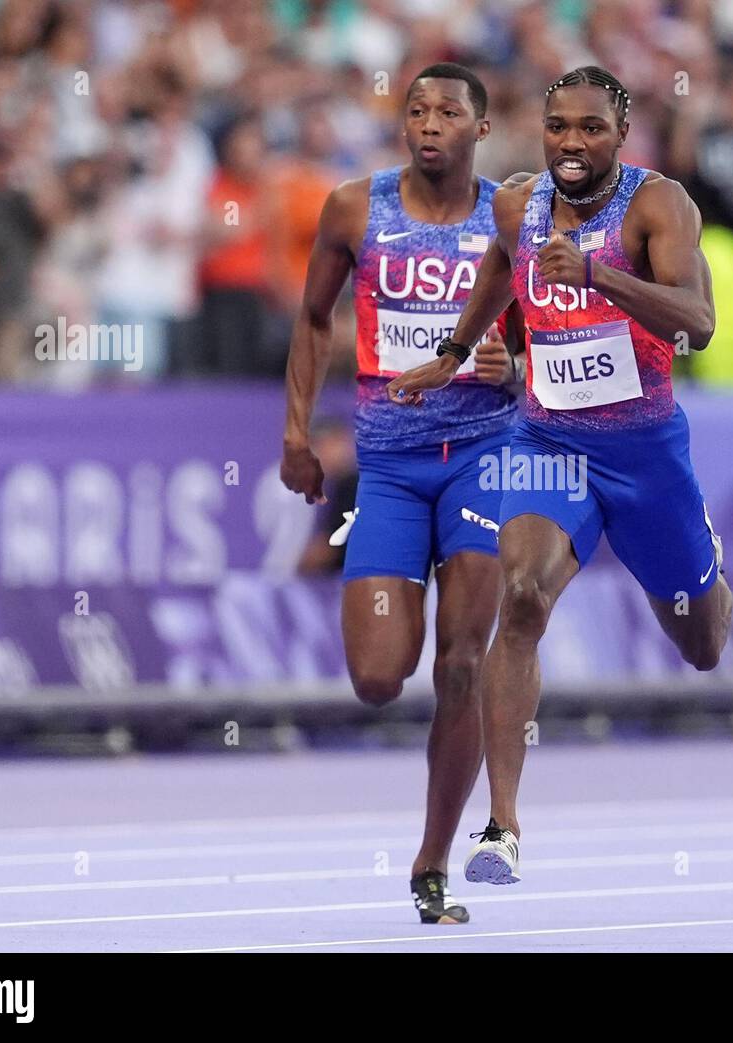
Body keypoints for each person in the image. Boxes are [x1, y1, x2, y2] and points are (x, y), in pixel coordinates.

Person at [386, 66, 733, 886]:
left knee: (704, 644)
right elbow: (502, 270)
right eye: (558, 128)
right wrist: (452, 351)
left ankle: (707, 562)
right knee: (525, 593)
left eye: (590, 129)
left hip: (646, 454)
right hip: (548, 443)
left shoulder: (660, 205)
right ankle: (502, 825)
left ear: (621, 134)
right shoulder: (516, 203)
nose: (572, 144)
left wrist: (602, 275)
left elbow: (701, 323)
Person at [279, 63, 525, 924]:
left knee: (459, 663)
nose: (427, 123)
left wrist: (516, 365)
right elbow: (313, 318)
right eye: (415, 109)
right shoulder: (355, 207)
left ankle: (431, 863)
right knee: (380, 677)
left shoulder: (512, 216)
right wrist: (297, 432)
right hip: (387, 463)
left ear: (479, 130)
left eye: (447, 112)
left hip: (483, 459)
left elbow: (550, 339)